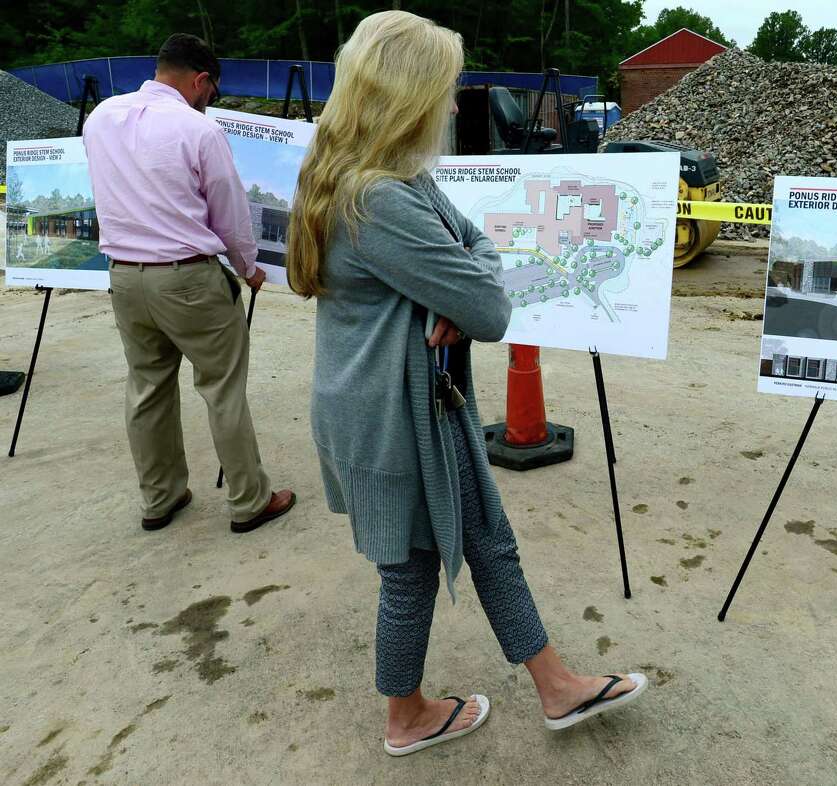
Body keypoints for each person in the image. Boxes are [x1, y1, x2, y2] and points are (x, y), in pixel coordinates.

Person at [287, 11, 646, 757]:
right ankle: (406, 717)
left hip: (413, 406)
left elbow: (479, 243)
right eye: (445, 91)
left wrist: (449, 288)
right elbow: (489, 307)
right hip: (389, 416)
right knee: (411, 570)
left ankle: (554, 687)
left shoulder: (381, 174)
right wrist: (455, 294)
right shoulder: (377, 196)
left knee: (487, 538)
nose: (454, 107)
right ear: (406, 93)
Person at [83, 33, 295, 533]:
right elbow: (230, 210)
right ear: (200, 80)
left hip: (124, 279)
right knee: (222, 387)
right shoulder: (195, 129)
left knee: (147, 388)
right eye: (211, 92)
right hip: (187, 278)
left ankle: (160, 497)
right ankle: (249, 501)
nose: (209, 102)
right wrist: (248, 267)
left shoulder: (101, 118)